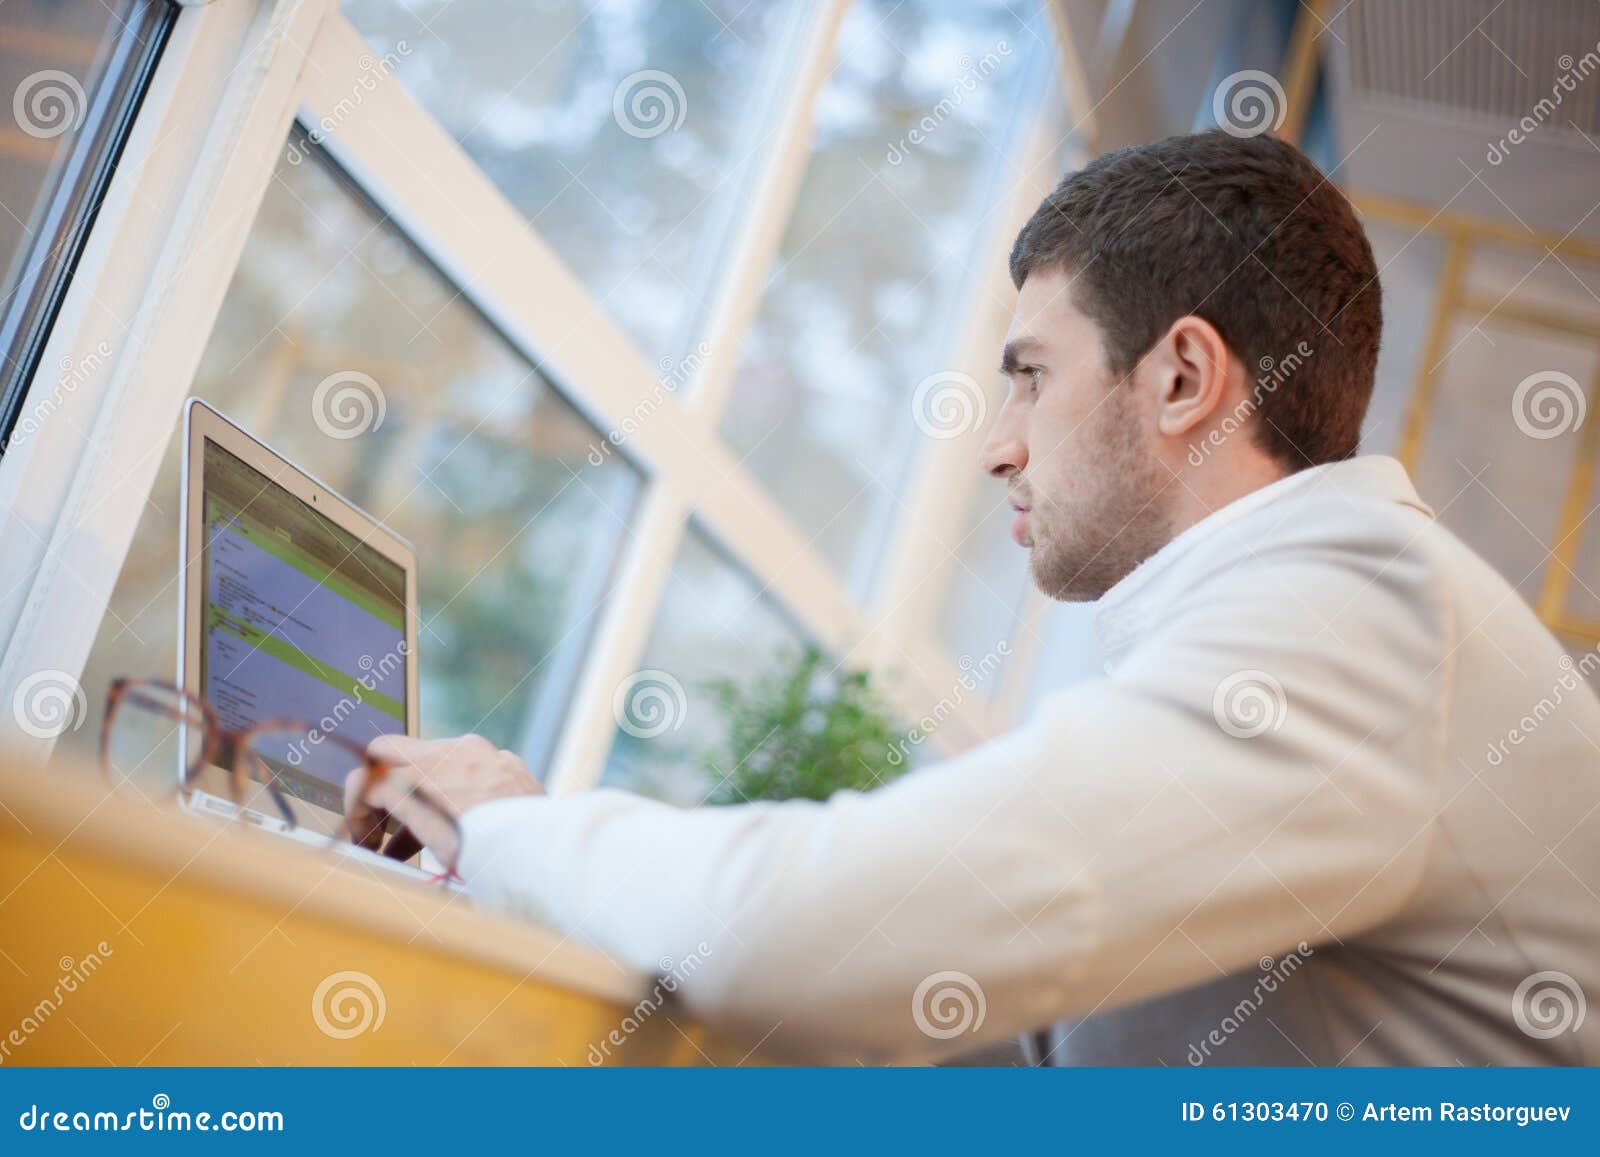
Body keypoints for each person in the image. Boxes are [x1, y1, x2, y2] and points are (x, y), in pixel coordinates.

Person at [346, 131, 1600, 1065]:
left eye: (1029, 377)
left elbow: (810, 941)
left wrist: (504, 826)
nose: (997, 444)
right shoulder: (1322, 610)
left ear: (1181, 379)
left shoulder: (1361, 616)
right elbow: (1038, 1031)